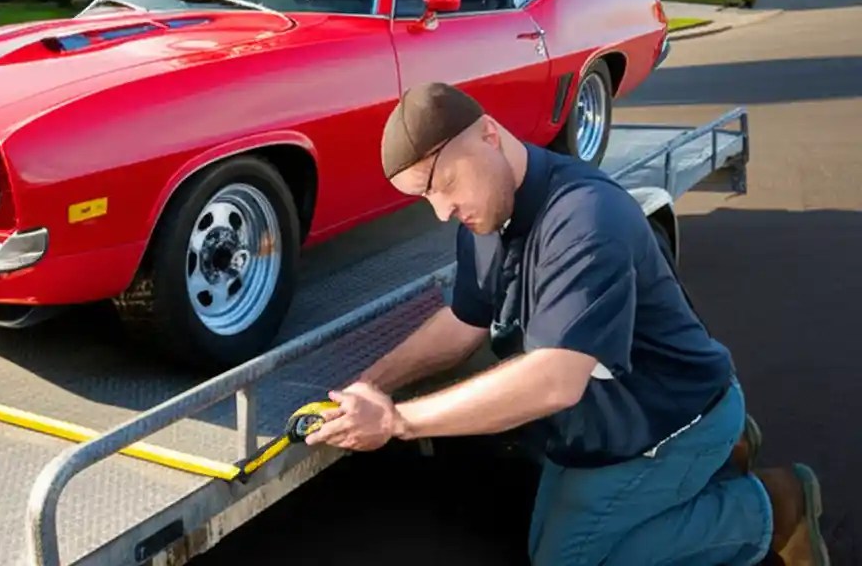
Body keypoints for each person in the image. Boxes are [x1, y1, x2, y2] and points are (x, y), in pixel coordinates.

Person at [303, 82, 829, 565]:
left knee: (569, 561)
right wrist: (370, 384)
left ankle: (770, 509)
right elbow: (464, 323)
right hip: (604, 423)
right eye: (425, 196)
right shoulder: (486, 217)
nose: (441, 211)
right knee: (549, 548)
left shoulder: (584, 217)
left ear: (489, 135)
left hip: (669, 417)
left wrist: (396, 422)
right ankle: (712, 469)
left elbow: (555, 379)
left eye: (444, 183)